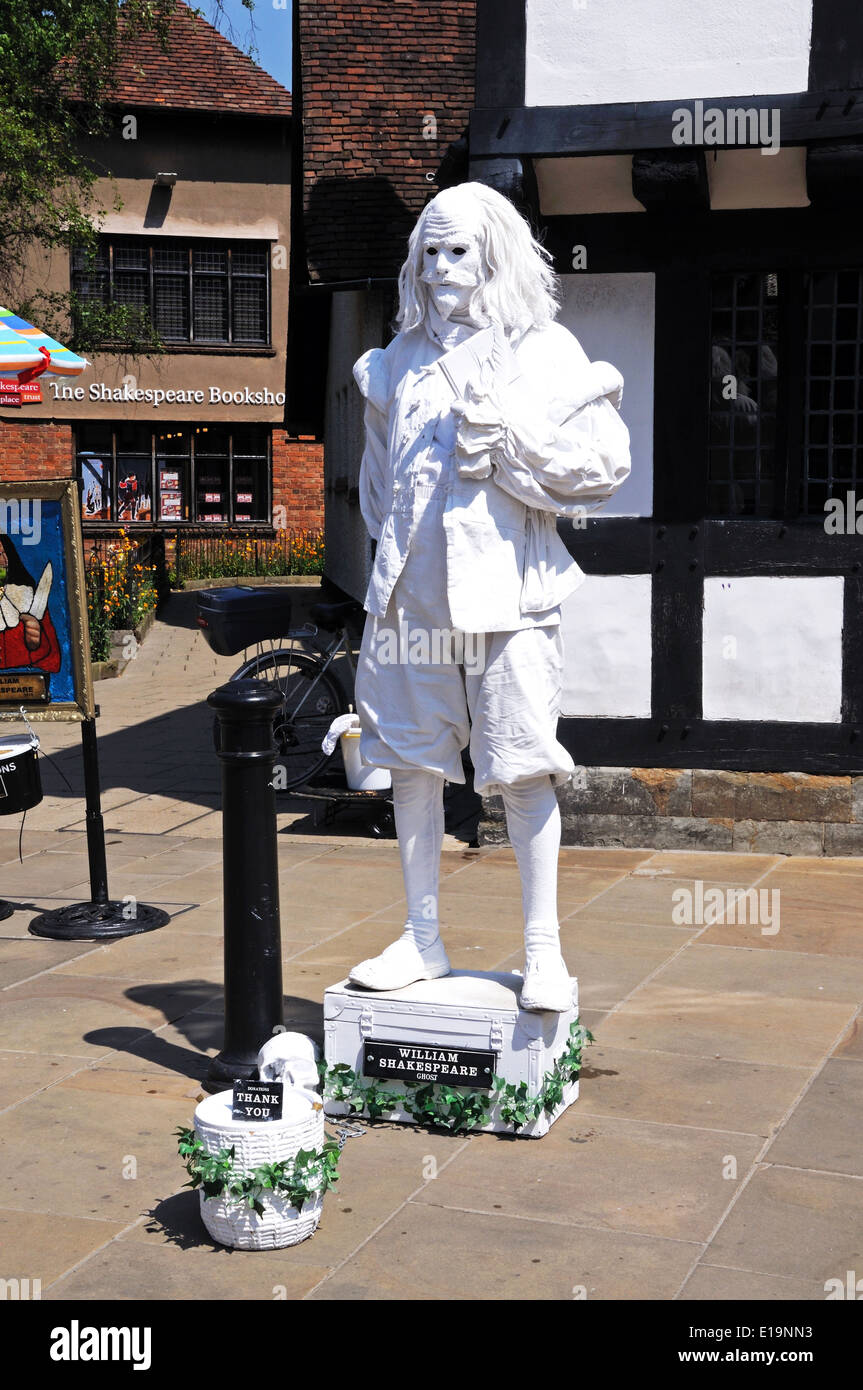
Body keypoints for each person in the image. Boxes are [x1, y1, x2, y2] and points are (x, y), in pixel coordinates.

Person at [348, 182, 631, 1011]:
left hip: (509, 603)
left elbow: (602, 471)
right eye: (428, 251)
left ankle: (543, 950)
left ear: (492, 255)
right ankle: (421, 939)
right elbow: (377, 493)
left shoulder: (544, 352)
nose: (439, 267)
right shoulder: (390, 366)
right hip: (408, 601)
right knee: (408, 765)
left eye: (457, 250)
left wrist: (509, 440)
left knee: (522, 769)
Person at [0, 535, 60, 673]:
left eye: (4, 553)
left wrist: (37, 642)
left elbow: (52, 660)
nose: (3, 561)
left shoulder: (28, 597)